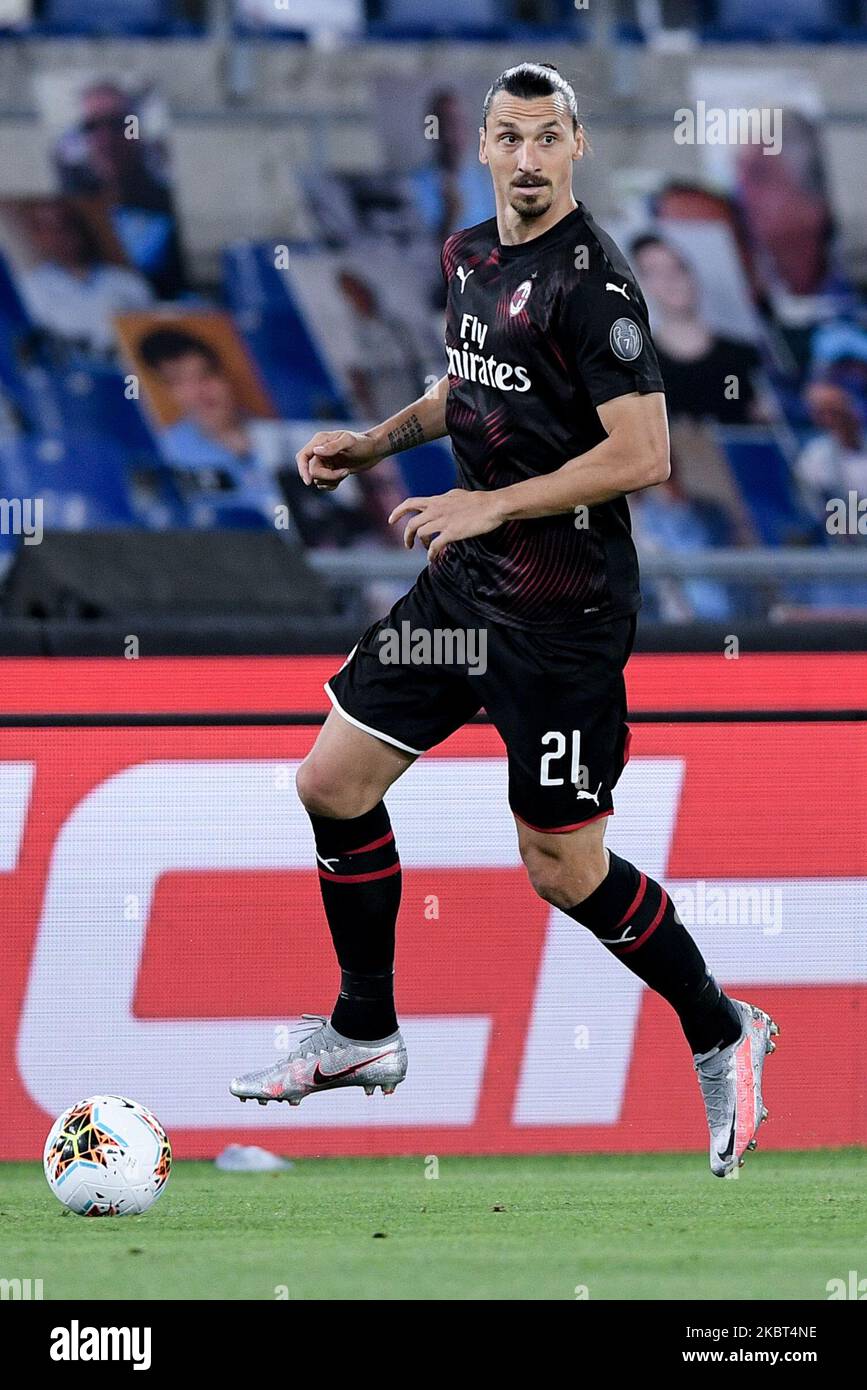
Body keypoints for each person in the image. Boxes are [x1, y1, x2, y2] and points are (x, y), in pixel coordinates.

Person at [230, 64, 778, 1177]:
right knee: (330, 783)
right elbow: (466, 389)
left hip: (561, 619)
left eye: (546, 138)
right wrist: (369, 445)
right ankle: (363, 1029)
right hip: (463, 592)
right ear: (481, 147)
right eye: (507, 137)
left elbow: (646, 454)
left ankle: (721, 1026)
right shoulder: (471, 255)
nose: (526, 158)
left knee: (564, 869)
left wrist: (490, 500)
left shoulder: (598, 286)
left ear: (577, 147)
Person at [629, 233, 767, 425]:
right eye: (655, 272)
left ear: (692, 272)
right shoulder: (638, 371)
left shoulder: (744, 356)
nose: (671, 278)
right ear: (641, 285)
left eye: (677, 267)